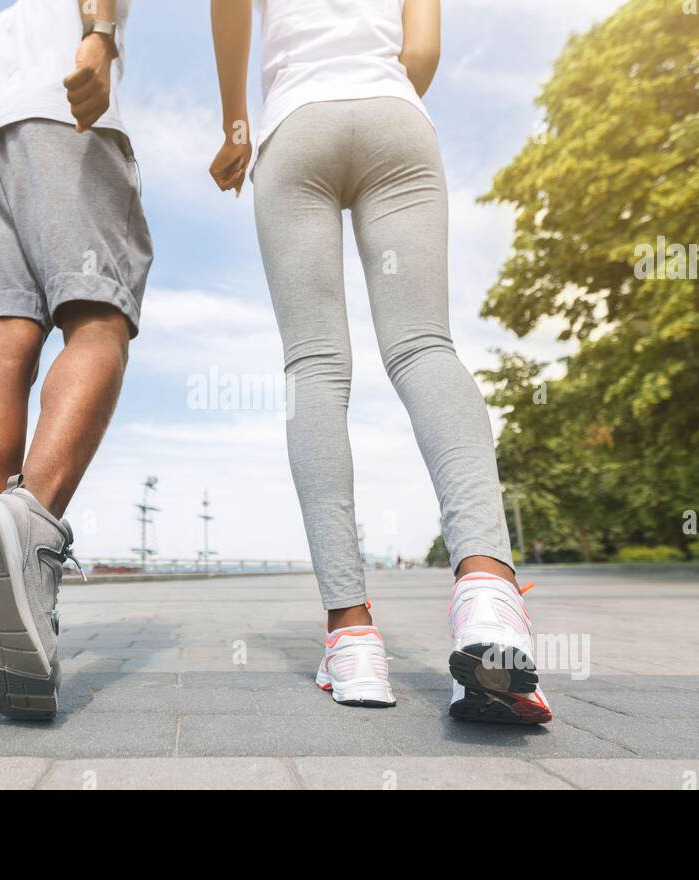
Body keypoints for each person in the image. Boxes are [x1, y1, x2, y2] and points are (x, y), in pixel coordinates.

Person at [208, 0, 550, 723]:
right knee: (424, 346)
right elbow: (420, 51)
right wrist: (375, 92)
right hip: (395, 120)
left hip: (296, 127)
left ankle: (353, 637)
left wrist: (236, 123)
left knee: (316, 368)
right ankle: (489, 597)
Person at [0, 0, 151, 719]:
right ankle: (29, 530)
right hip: (69, 122)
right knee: (99, 318)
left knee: (6, 339)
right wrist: (98, 41)